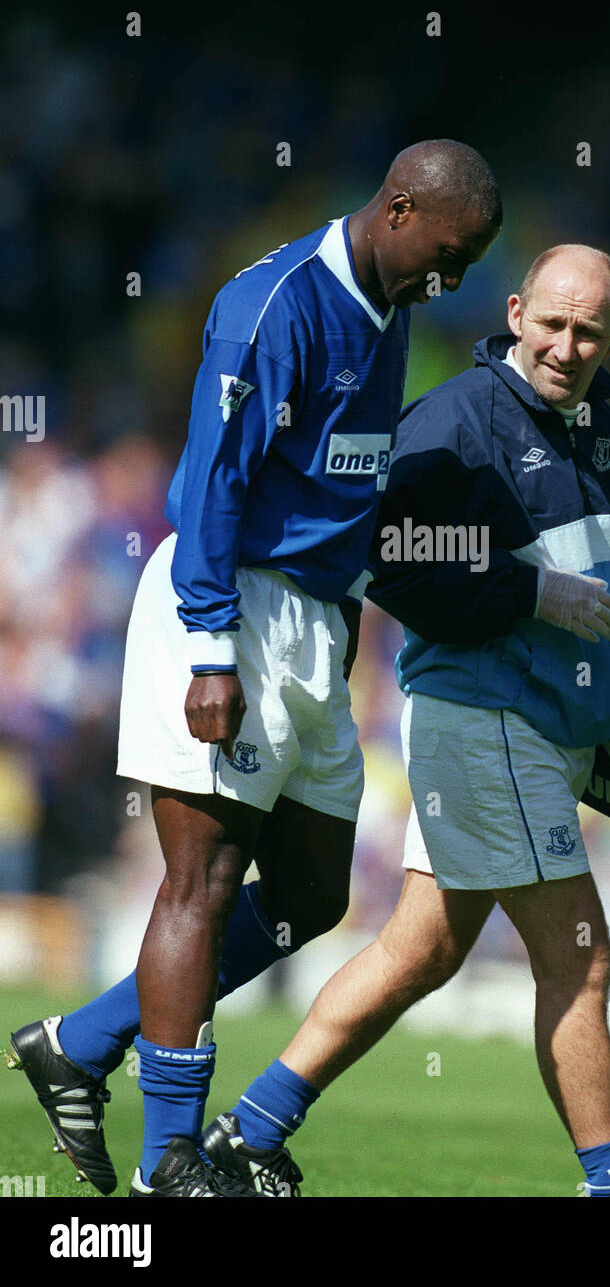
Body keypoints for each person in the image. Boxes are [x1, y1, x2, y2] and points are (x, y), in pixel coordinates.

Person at [7, 140, 501, 1198]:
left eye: (466, 266)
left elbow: (339, 486)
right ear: (399, 205)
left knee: (315, 891)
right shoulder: (272, 303)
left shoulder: (390, 305)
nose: (449, 282)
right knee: (203, 881)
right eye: (447, 255)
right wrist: (210, 649)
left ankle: (82, 1039)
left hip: (318, 624)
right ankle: (168, 1160)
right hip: (230, 607)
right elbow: (211, 488)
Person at [199, 244, 610, 1197]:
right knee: (579, 953)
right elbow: (394, 559)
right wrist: (530, 594)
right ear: (517, 310)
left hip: (542, 724)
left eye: (588, 332)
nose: (566, 348)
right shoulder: (452, 420)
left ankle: (250, 1131)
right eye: (551, 323)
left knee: (422, 950)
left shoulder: (599, 427)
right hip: (485, 713)